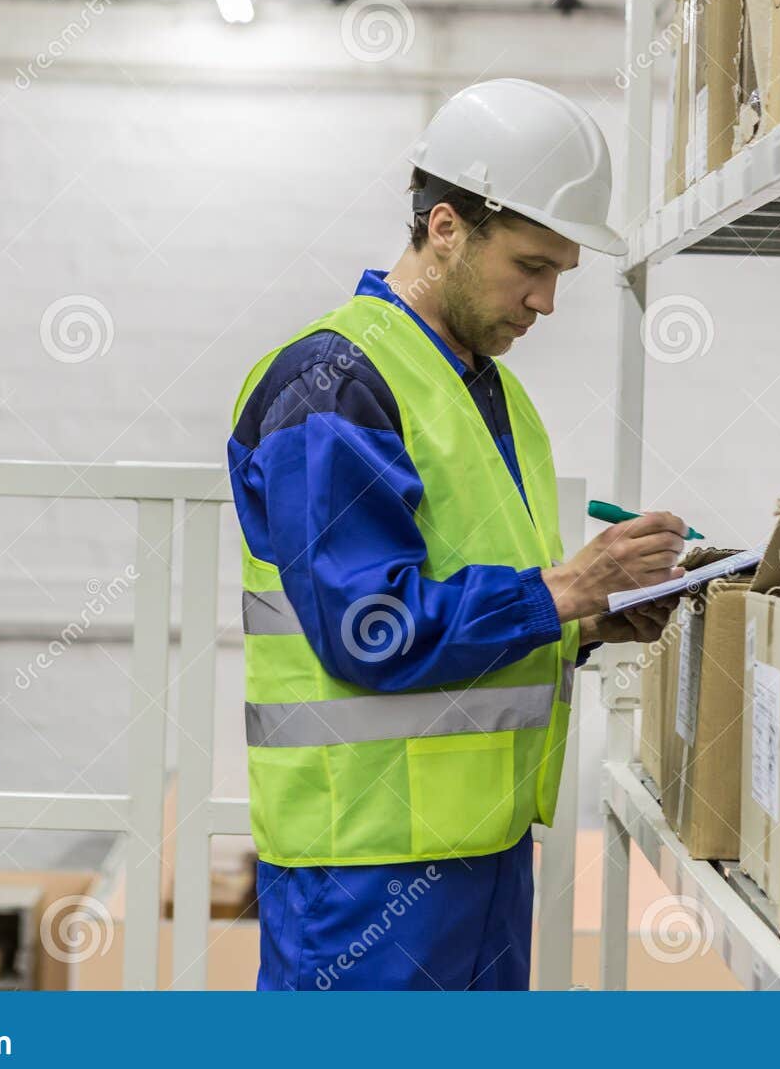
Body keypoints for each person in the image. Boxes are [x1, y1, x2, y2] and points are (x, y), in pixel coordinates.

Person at [227, 78, 685, 991]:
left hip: (485, 851)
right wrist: (563, 591)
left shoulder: (491, 392)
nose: (547, 300)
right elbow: (371, 628)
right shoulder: (334, 381)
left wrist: (586, 622)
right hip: (363, 864)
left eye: (561, 273)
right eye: (531, 266)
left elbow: (467, 596)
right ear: (445, 228)